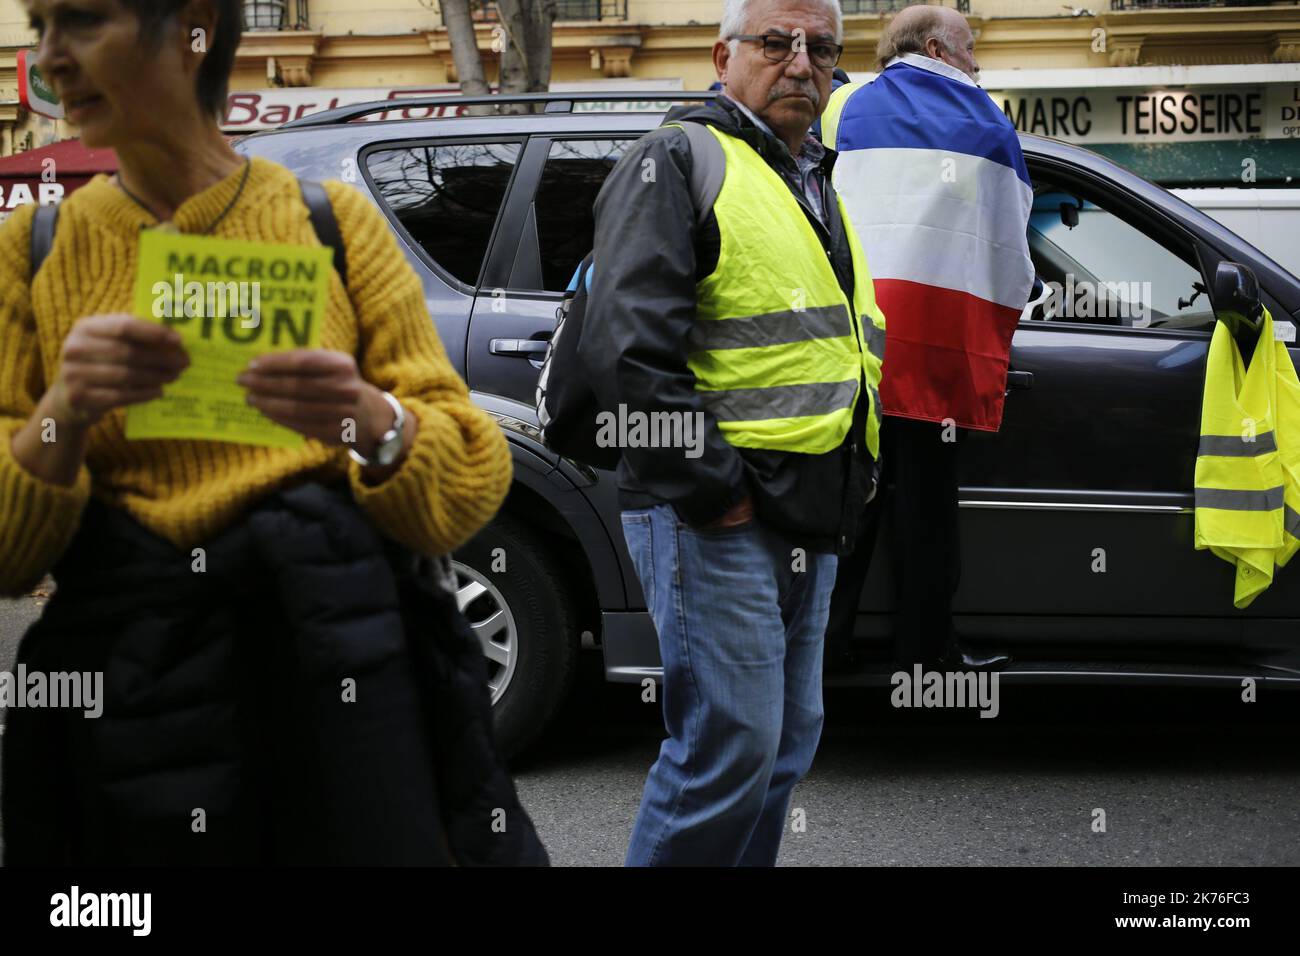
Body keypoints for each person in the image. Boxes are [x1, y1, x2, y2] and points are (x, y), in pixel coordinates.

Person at [0, 0, 544, 865]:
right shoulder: (31, 249)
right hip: (127, 702)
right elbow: (7, 558)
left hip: (340, 684)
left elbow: (466, 487)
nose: (49, 59)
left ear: (193, 28)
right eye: (40, 28)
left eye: (82, 21)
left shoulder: (333, 225)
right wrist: (63, 413)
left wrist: (372, 421)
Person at [581, 0, 887, 865]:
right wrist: (715, 498)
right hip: (717, 511)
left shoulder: (811, 172)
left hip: (808, 507)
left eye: (820, 47)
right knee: (729, 749)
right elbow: (627, 353)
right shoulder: (680, 156)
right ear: (724, 55)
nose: (801, 63)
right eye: (776, 43)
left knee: (782, 748)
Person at [822, 4, 1034, 671]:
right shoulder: (985, 119)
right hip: (931, 359)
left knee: (841, 520)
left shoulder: (840, 107)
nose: (977, 64)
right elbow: (1009, 246)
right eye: (971, 50)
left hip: (845, 351)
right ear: (939, 49)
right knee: (927, 521)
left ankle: (817, 664)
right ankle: (927, 660)